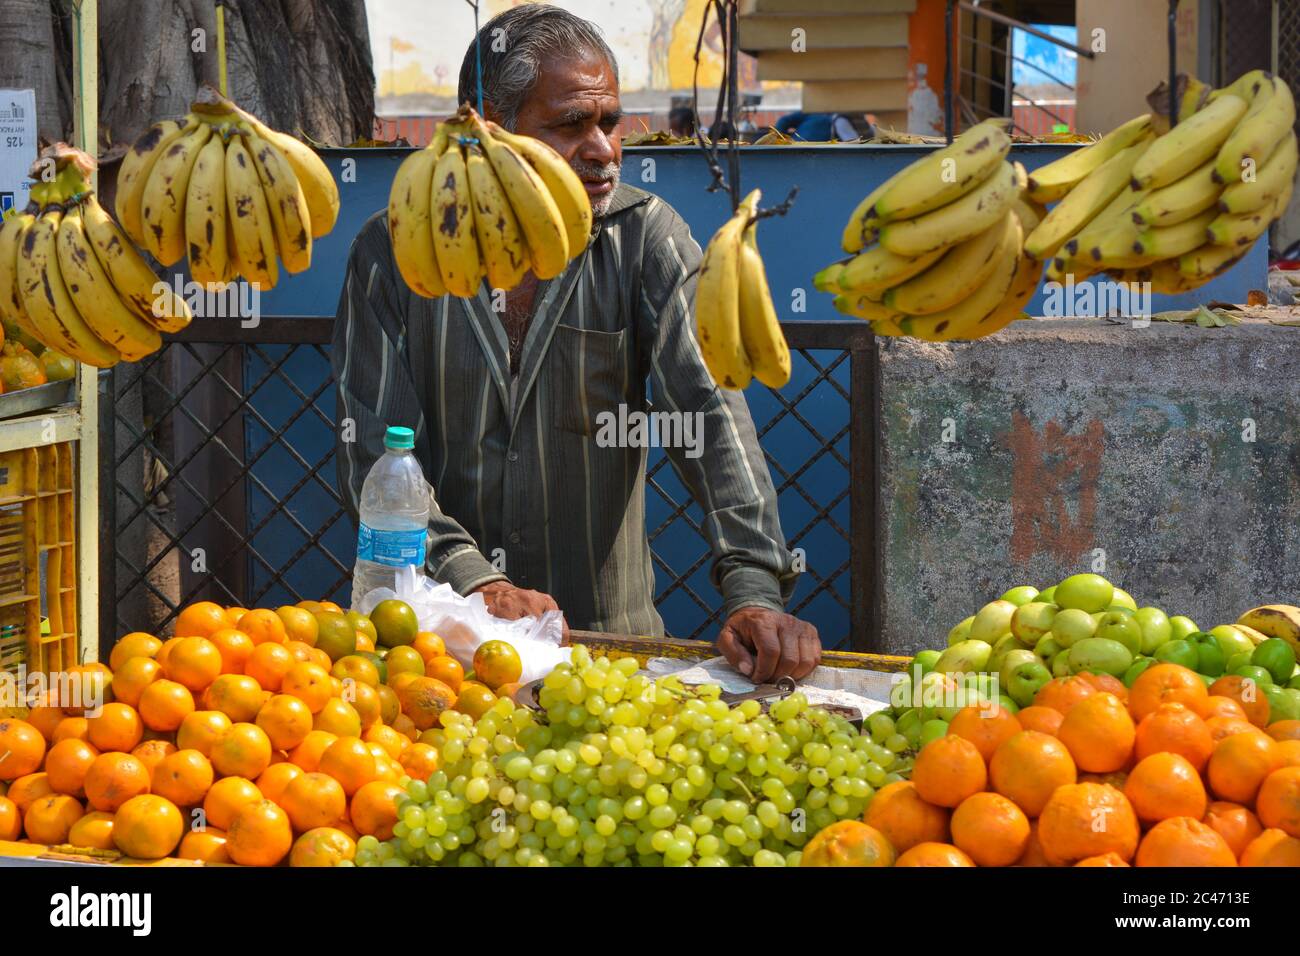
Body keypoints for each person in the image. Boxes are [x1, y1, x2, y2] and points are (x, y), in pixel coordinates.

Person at [332, 4, 820, 681]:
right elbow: (373, 458)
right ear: (493, 132)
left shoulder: (644, 239)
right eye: (570, 125)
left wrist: (755, 590)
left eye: (610, 122)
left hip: (603, 647)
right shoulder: (394, 254)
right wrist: (477, 583)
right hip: (440, 649)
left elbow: (710, 423)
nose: (602, 150)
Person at [774, 110, 864, 142]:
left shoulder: (840, 119)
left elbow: (784, 120)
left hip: (812, 155)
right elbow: (784, 120)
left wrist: (779, 139)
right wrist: (780, 139)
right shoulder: (812, 112)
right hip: (795, 149)